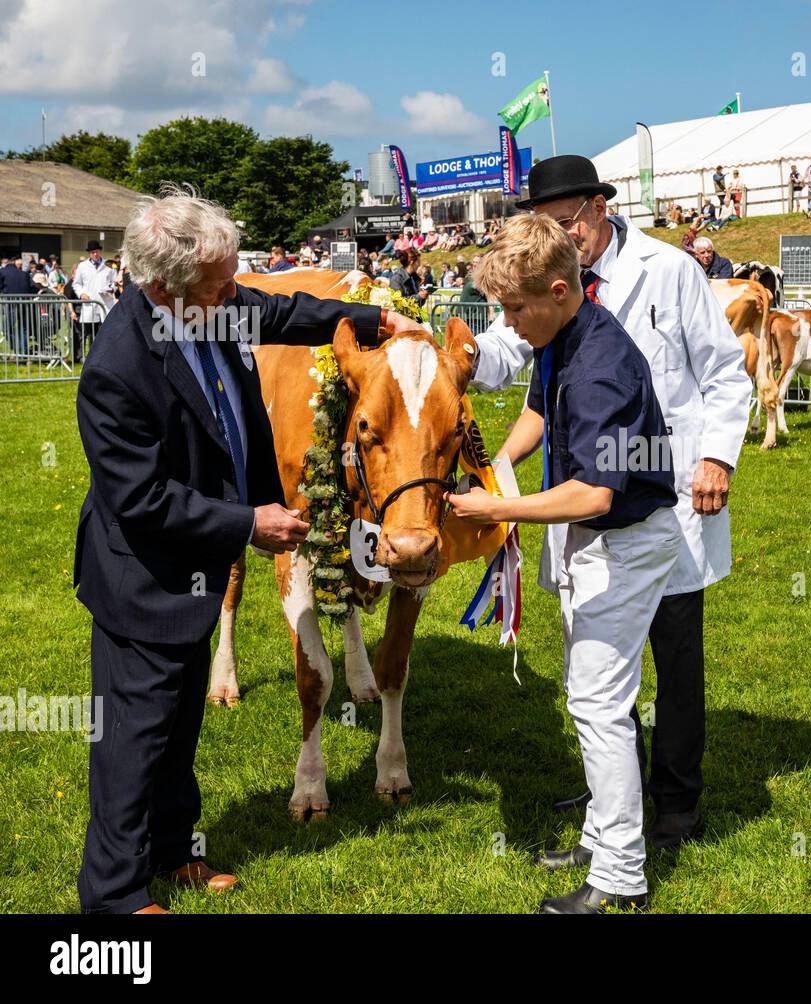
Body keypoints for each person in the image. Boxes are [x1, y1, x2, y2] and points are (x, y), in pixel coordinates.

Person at [73, 186, 424, 915]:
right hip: (144, 574)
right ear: (164, 288)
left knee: (178, 724)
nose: (239, 294)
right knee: (133, 737)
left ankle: (174, 854)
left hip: (194, 568)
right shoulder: (116, 367)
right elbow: (140, 500)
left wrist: (372, 317)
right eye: (220, 283)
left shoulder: (212, 304)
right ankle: (112, 897)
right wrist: (245, 524)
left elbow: (286, 312)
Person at [466, 154, 750, 859]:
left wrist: (717, 456)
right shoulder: (552, 296)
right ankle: (610, 804)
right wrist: (451, 356)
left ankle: (676, 803)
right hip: (585, 510)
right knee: (596, 670)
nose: (565, 235)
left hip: (667, 497)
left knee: (675, 657)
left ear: (598, 206)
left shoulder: (670, 270)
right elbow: (508, 353)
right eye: (546, 226)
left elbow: (722, 370)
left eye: (567, 223)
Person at [450, 214, 681, 913]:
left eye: (516, 308)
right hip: (596, 535)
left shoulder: (601, 368)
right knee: (596, 699)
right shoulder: (558, 331)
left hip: (626, 537)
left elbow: (594, 491)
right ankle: (600, 836)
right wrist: (497, 466)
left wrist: (492, 512)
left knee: (596, 704)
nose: (508, 322)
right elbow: (538, 414)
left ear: (558, 288)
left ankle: (620, 878)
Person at [72, 240, 117, 363]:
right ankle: (91, 358)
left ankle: (105, 357)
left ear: (100, 251)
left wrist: (111, 289)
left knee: (105, 332)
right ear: (89, 254)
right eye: (92, 253)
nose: (95, 254)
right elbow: (76, 284)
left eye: (97, 252)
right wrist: (81, 293)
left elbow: (115, 282)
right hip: (90, 303)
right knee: (89, 332)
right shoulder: (82, 266)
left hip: (105, 303)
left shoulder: (108, 265)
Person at [0, 254, 38, 355]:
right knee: (23, 329)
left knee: (6, 328)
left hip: (11, 304)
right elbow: (34, 288)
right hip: (25, 304)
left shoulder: (3, 272)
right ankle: (23, 354)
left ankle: (17, 348)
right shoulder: (24, 274)